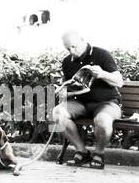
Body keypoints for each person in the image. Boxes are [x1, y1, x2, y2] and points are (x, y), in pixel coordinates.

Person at [52, 29, 123, 169]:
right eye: (68, 48)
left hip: (107, 103)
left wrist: (102, 74)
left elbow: (119, 82)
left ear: (82, 40)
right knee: (57, 113)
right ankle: (82, 151)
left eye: (74, 46)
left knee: (102, 120)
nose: (72, 51)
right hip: (80, 103)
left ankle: (99, 154)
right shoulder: (67, 62)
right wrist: (62, 90)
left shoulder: (101, 54)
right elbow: (70, 85)